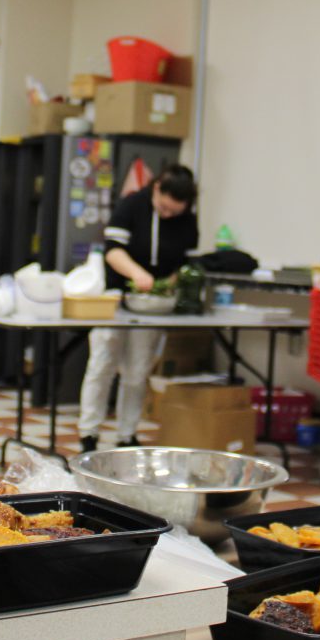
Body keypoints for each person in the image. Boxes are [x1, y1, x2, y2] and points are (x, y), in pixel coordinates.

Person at [77, 164, 200, 452]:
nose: (168, 215)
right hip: (116, 298)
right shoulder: (131, 206)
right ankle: (89, 433)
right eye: (164, 208)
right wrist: (137, 274)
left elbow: (187, 261)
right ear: (156, 188)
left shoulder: (187, 220)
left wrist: (168, 282)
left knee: (137, 370)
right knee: (102, 365)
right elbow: (113, 251)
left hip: (153, 307)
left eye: (174, 212)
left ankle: (127, 434)